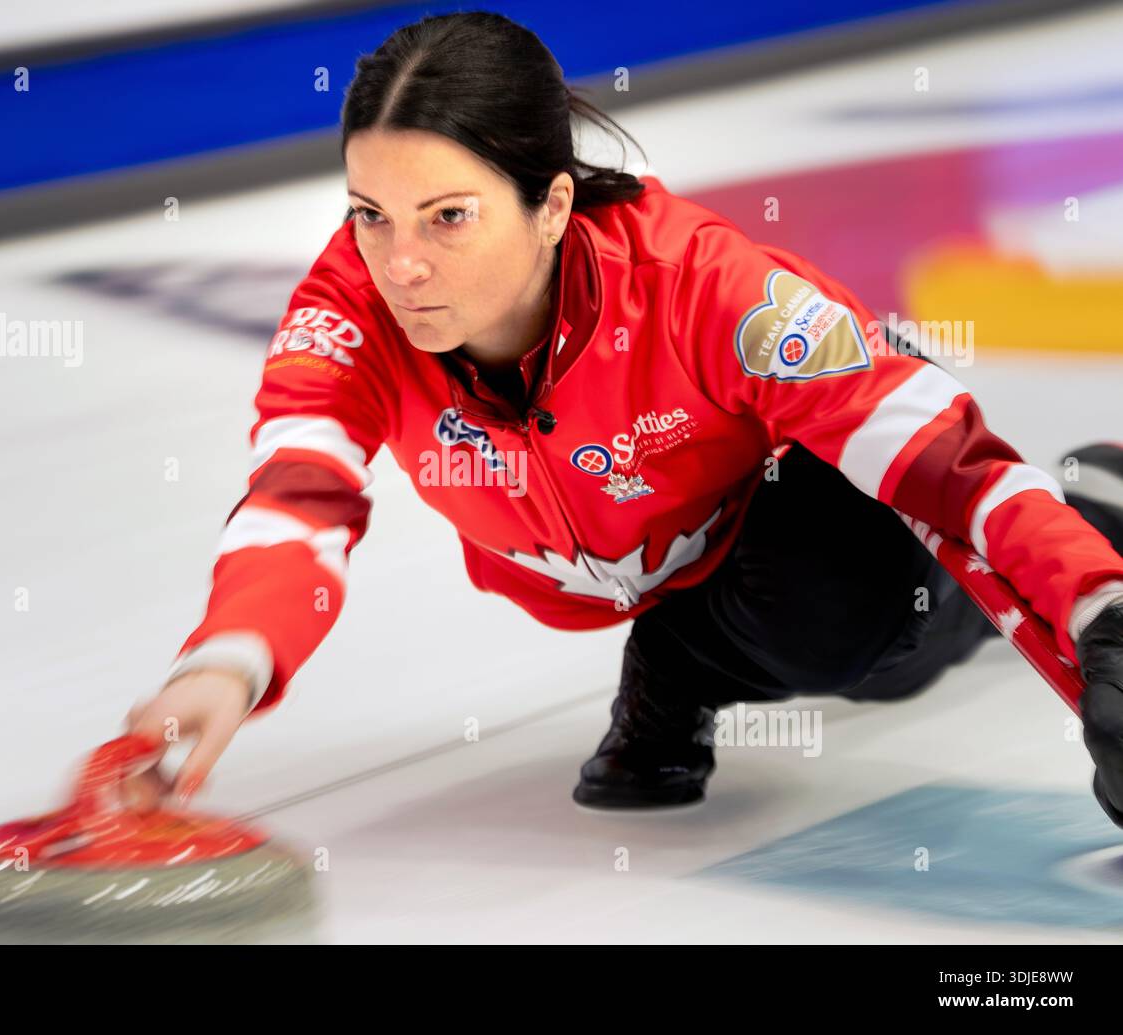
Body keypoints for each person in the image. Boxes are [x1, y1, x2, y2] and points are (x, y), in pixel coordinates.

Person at [121, 11, 1123, 820]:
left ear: (551, 205)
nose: (401, 264)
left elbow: (937, 462)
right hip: (668, 561)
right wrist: (226, 663)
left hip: (808, 496)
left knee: (871, 638)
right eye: (369, 213)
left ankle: (1085, 504)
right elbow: (301, 494)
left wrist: (1097, 625)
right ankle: (688, 653)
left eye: (448, 216)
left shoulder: (705, 286)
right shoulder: (348, 313)